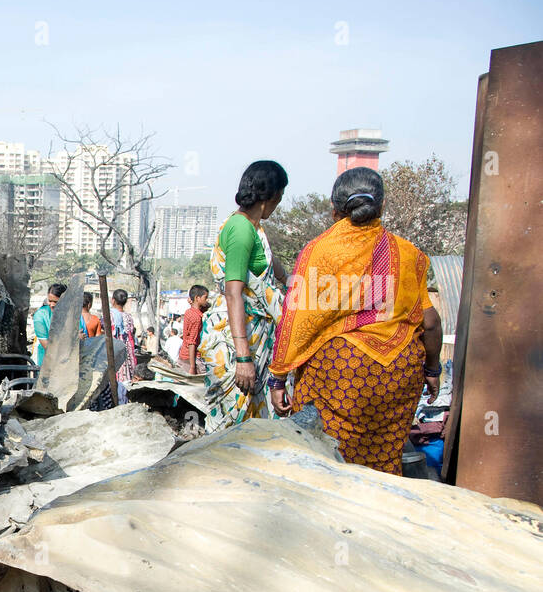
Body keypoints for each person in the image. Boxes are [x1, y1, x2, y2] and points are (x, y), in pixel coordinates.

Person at [269, 167, 443, 475]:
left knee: (327, 463)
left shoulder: (318, 251)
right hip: (397, 375)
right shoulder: (408, 254)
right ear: (382, 206)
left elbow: (294, 320)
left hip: (336, 375)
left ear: (334, 208)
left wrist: (278, 378)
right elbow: (430, 322)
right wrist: (432, 369)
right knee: (383, 465)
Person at [196, 160, 290, 428]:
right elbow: (234, 293)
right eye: (280, 196)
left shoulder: (255, 229)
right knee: (229, 429)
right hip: (235, 341)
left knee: (252, 429)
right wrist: (243, 357)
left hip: (254, 337)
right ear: (272, 195)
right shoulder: (241, 230)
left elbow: (275, 269)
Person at [108, 289, 137, 404]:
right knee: (125, 384)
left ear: (113, 300)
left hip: (115, 353)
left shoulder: (109, 315)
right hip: (127, 355)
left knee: (116, 384)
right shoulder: (128, 317)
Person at [32, 283, 67, 367]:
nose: (52, 305)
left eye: (55, 302)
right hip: (47, 365)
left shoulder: (70, 313)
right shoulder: (40, 316)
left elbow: (80, 337)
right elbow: (47, 346)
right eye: (50, 301)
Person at [179, 285, 210, 375]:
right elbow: (192, 343)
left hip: (184, 355)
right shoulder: (197, 318)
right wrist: (192, 367)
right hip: (193, 358)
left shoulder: (189, 312)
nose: (207, 300)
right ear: (197, 298)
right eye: (205, 297)